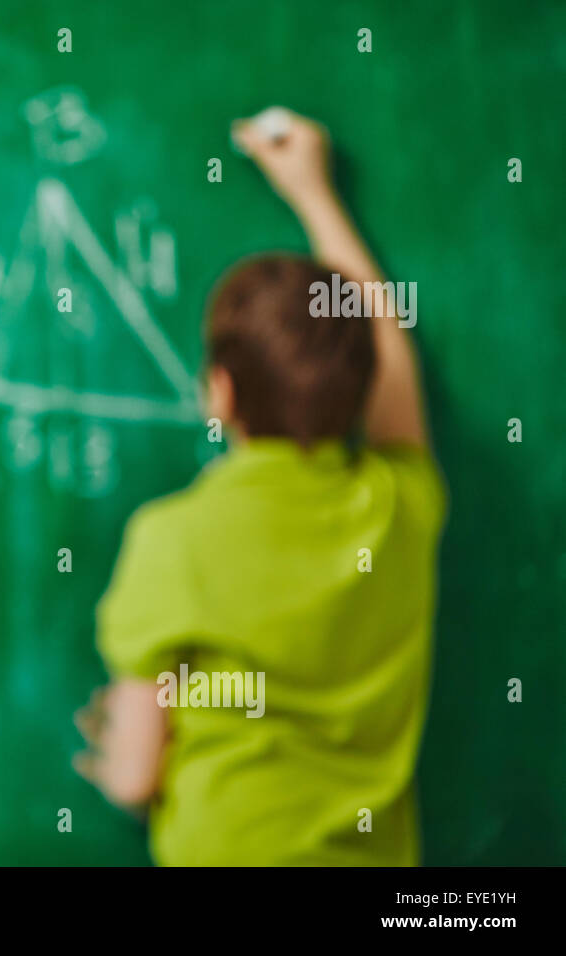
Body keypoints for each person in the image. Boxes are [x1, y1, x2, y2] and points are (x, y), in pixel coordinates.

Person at [74, 109, 447, 865]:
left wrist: (116, 753)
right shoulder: (397, 506)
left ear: (221, 392)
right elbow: (390, 363)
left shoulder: (171, 539)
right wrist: (316, 194)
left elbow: (135, 776)